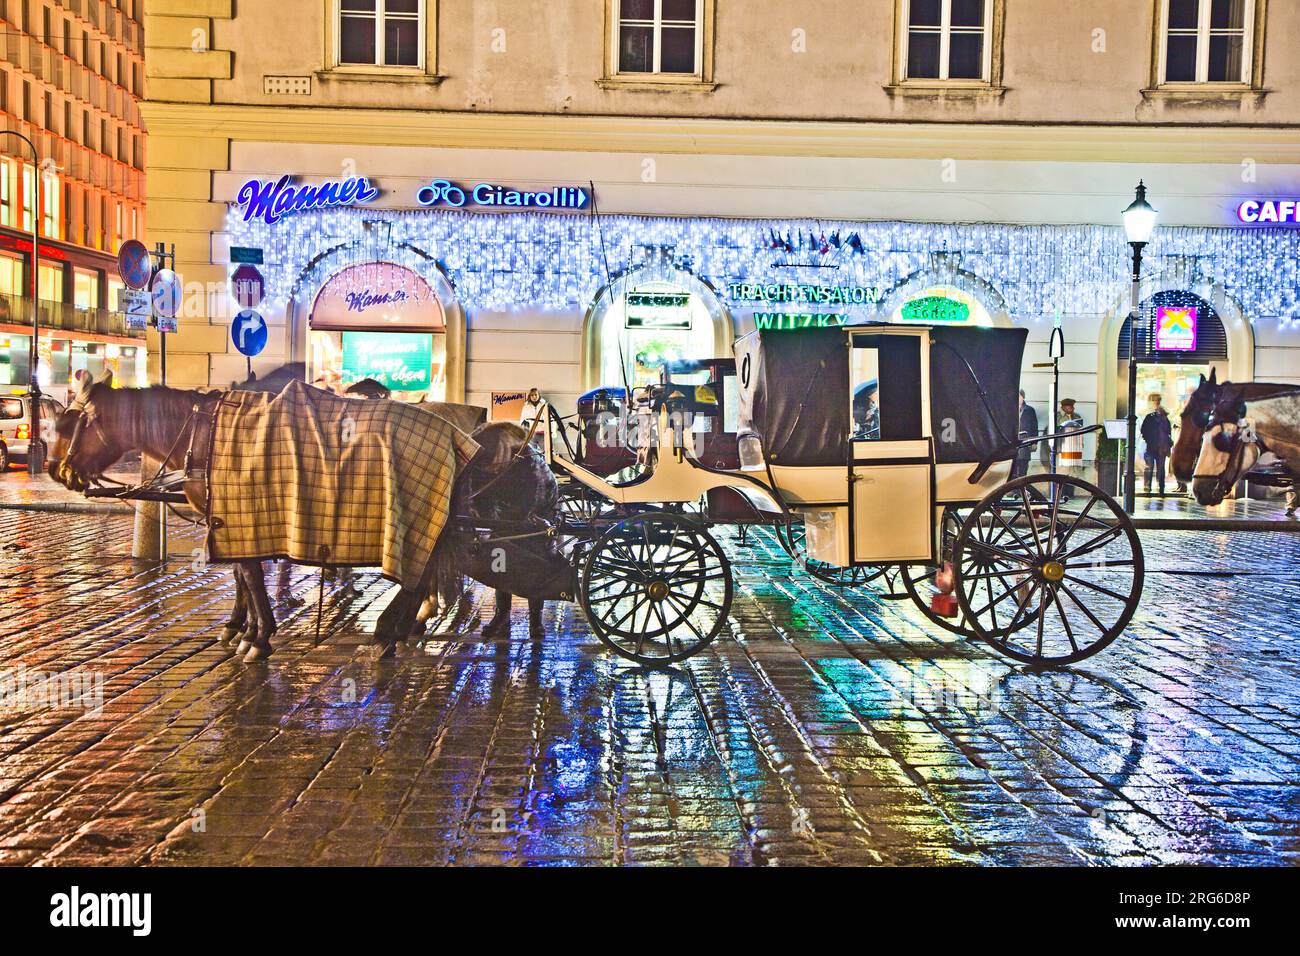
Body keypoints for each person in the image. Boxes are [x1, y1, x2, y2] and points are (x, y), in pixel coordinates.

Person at [1140, 393, 1173, 495]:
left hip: (1161, 448)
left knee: (1160, 469)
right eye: (1155, 400)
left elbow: (1168, 431)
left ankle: (1160, 488)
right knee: (1150, 468)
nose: (1157, 403)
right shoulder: (1150, 417)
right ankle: (1148, 488)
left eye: (1158, 400)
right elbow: (1144, 430)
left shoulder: (1164, 418)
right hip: (1151, 447)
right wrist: (1149, 440)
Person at [1057, 398, 1085, 500]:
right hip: (1063, 449)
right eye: (1070, 406)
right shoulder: (1058, 417)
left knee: (1073, 473)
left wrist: (1081, 444)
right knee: (1063, 472)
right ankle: (1062, 494)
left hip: (1074, 449)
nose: (1072, 408)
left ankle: (1070, 493)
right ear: (1064, 407)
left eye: (1073, 406)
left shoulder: (1077, 417)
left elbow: (1081, 432)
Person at [1011, 389, 1038, 480]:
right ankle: (1014, 490)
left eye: (1019, 396)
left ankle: (1022, 489)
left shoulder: (1030, 410)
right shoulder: (1010, 409)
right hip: (1013, 443)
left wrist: (1035, 442)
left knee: (1023, 466)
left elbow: (1034, 427)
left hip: (1025, 442)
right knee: (1013, 467)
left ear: (1023, 397)